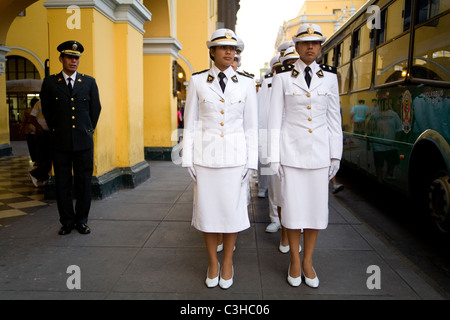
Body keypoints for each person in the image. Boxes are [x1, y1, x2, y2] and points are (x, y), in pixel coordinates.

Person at [182, 28, 258, 289]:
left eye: (233, 48)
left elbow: (251, 126)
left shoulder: (247, 83)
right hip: (206, 158)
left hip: (235, 159)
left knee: (231, 212)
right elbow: (190, 123)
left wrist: (251, 162)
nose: (229, 52)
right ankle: (212, 262)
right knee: (208, 213)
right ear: (212, 51)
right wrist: (187, 158)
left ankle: (227, 261)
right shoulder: (197, 81)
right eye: (223, 48)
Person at [268, 23, 343, 287]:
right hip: (291, 155)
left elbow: (334, 119)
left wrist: (336, 155)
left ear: (320, 47)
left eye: (315, 43)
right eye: (305, 43)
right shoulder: (282, 77)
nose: (310, 47)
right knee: (292, 211)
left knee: (314, 212)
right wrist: (274, 157)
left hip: (320, 155)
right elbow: (275, 119)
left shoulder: (330, 77)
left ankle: (308, 261)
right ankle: (295, 262)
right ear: (297, 46)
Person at [40, 41, 102, 236]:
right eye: (69, 57)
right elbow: (47, 111)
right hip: (60, 142)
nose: (73, 61)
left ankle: (82, 221)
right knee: (62, 184)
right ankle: (67, 221)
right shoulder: (50, 83)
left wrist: (87, 130)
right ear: (61, 59)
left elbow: (95, 109)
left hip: (84, 142)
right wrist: (57, 130)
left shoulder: (89, 82)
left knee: (84, 183)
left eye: (76, 58)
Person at [28, 100, 52, 187]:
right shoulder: (39, 103)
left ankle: (43, 177)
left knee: (49, 156)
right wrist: (39, 128)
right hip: (42, 133)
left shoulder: (55, 101)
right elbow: (32, 117)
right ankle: (35, 174)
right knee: (44, 156)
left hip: (51, 133)